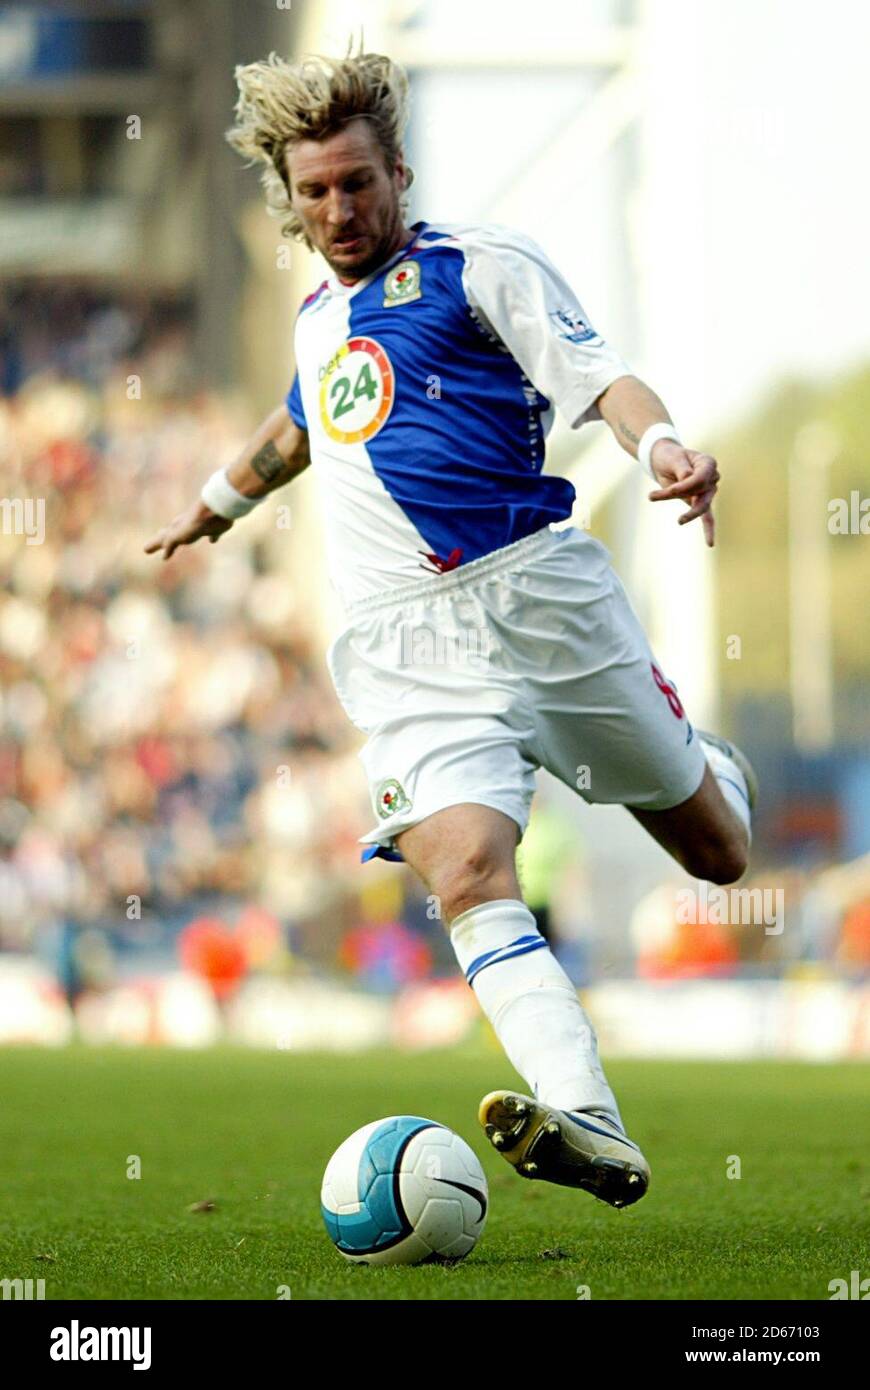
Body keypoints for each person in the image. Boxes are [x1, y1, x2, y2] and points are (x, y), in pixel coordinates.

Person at [144, 48, 756, 1210]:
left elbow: (604, 379)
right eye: (315, 191)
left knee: (719, 855)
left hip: (536, 602)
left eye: (357, 183)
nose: (340, 209)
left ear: (399, 172)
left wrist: (664, 446)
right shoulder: (319, 319)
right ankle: (591, 1118)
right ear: (290, 198)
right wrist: (216, 506)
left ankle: (712, 767)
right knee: (468, 865)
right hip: (403, 649)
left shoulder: (483, 266)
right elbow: (299, 428)